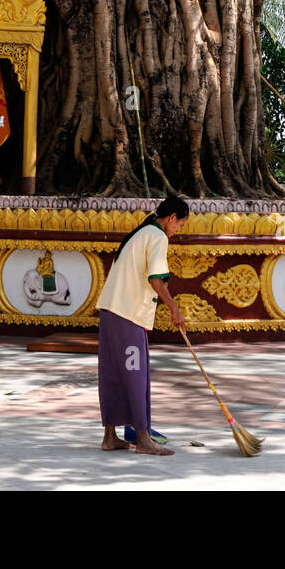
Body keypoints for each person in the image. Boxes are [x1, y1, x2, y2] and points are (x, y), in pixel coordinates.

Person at [97, 195, 189, 456]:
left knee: (113, 374)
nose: (178, 230)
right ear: (172, 218)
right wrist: (175, 310)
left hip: (110, 311)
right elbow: (156, 280)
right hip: (129, 315)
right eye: (180, 225)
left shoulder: (139, 233)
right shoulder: (158, 236)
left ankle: (109, 437)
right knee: (136, 375)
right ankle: (144, 439)